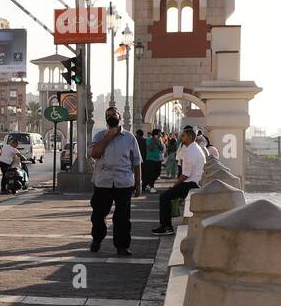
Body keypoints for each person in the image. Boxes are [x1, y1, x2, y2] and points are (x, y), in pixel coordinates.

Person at [88, 105, 142, 256]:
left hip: (123, 182)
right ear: (106, 119)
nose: (111, 116)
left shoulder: (130, 138)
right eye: (108, 114)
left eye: (114, 114)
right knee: (98, 214)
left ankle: (122, 246)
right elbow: (95, 154)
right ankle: (97, 239)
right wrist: (109, 135)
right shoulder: (99, 136)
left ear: (119, 116)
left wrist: (139, 184)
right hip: (103, 182)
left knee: (122, 217)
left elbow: (136, 162)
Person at [154, 125, 205, 235]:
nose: (181, 138)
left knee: (164, 197)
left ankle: (166, 227)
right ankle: (166, 226)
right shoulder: (193, 148)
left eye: (183, 136)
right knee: (167, 196)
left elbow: (185, 175)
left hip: (191, 183)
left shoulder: (192, 151)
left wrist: (174, 185)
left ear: (190, 138)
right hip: (194, 181)